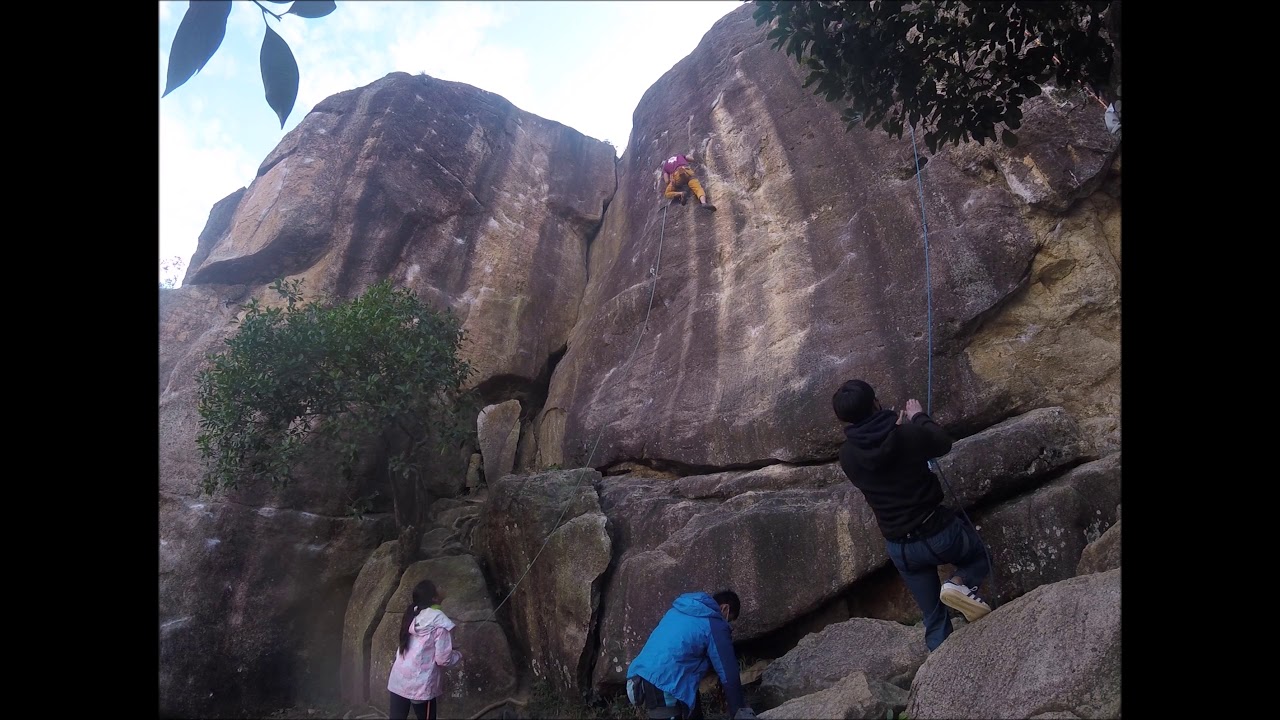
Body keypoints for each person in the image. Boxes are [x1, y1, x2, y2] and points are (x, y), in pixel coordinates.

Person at [832, 379, 992, 651]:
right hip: (939, 532)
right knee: (979, 557)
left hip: (901, 548)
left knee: (933, 616)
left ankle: (940, 677)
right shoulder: (907, 435)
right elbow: (942, 443)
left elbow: (880, 454)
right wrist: (918, 416)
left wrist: (893, 430)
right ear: (875, 403)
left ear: (844, 419)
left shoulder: (847, 456)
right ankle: (958, 582)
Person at [626, 590, 749, 719]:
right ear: (725, 608)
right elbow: (728, 673)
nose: (726, 623)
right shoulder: (715, 623)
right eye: (729, 620)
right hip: (665, 682)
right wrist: (739, 711)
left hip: (645, 676)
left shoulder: (678, 611)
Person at [387, 579, 462, 720]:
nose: (441, 587)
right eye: (437, 587)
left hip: (398, 681)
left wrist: (449, 647)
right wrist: (458, 655)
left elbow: (422, 645)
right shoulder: (440, 622)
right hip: (420, 684)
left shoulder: (414, 614)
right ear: (435, 598)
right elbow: (443, 660)